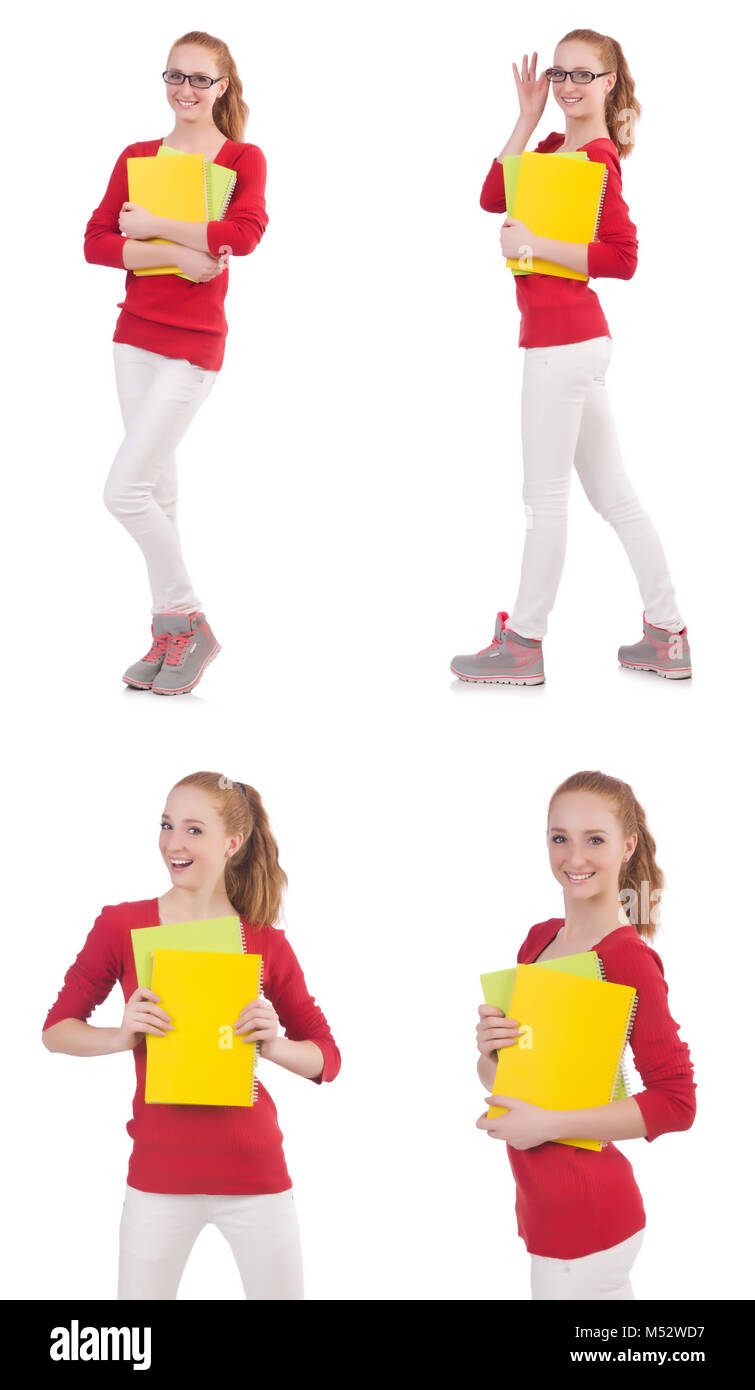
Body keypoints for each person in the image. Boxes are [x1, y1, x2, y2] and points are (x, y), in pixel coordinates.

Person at [42, 772, 339, 1300]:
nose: (173, 844)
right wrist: (123, 1035)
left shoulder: (263, 941)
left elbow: (327, 1056)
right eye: (166, 825)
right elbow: (56, 1031)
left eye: (193, 830)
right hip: (158, 1176)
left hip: (256, 1176)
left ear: (233, 843)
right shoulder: (122, 926)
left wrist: (274, 1045)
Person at [451, 31, 691, 683]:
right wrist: (527, 119)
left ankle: (523, 644)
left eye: (582, 75)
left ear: (609, 82)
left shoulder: (595, 158)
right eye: (560, 73)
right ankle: (666, 633)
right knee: (612, 495)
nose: (567, 86)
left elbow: (623, 257)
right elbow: (491, 198)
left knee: (545, 500)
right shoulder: (555, 146)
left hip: (561, 344)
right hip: (570, 343)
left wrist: (538, 244)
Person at [84, 30, 268, 694]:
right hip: (133, 339)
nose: (184, 90)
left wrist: (168, 236)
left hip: (192, 347)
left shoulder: (242, 157)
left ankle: (186, 620)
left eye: (199, 79)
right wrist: (175, 253)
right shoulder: (137, 155)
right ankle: (172, 632)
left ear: (222, 86)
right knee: (156, 490)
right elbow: (98, 240)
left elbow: (243, 234)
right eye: (174, 76)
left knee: (122, 492)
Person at [476, 770, 695, 1300]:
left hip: (587, 1222)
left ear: (628, 846)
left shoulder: (628, 960)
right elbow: (505, 1078)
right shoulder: (538, 940)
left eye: (595, 839)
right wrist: (490, 1050)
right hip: (546, 1214)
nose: (574, 858)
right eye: (560, 838)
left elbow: (676, 1101)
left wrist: (548, 1125)